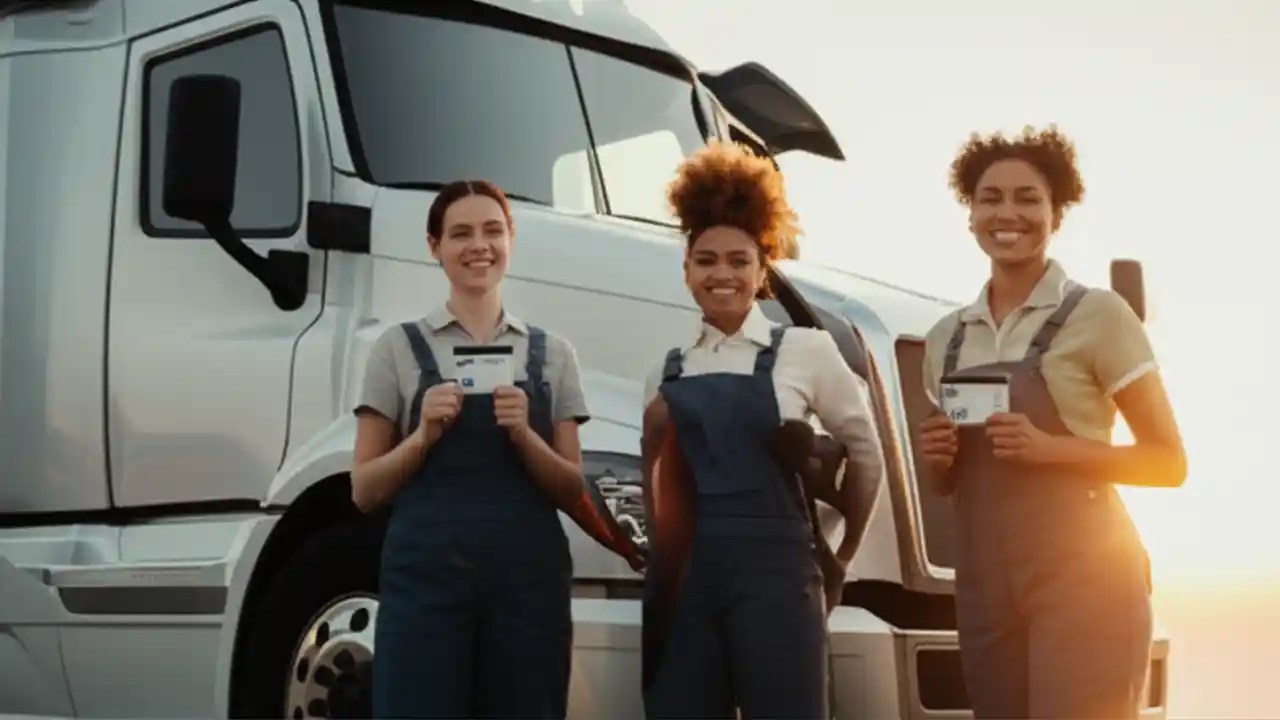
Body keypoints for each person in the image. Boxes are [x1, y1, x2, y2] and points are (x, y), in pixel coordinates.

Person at [916, 125, 1187, 719]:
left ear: (1056, 214)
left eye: (1027, 197)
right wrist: (938, 460)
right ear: (970, 215)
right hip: (986, 590)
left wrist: (1048, 448)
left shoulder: (1099, 315)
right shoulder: (945, 340)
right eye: (990, 198)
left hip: (1088, 580)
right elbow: (949, 486)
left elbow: (1168, 462)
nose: (1007, 213)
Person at [350, 180, 641, 719]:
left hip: (527, 584)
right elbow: (364, 490)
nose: (477, 245)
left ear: (511, 239)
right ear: (434, 246)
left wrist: (524, 435)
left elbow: (570, 485)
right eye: (459, 233)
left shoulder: (553, 354)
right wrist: (424, 436)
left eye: (492, 230)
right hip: (425, 580)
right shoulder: (396, 348)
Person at [640, 141, 887, 720]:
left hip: (777, 577)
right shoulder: (666, 369)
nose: (721, 274)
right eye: (706, 260)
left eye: (738, 260)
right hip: (683, 585)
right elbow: (656, 485)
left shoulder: (807, 351)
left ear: (762, 270)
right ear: (686, 269)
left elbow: (867, 455)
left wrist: (837, 557)